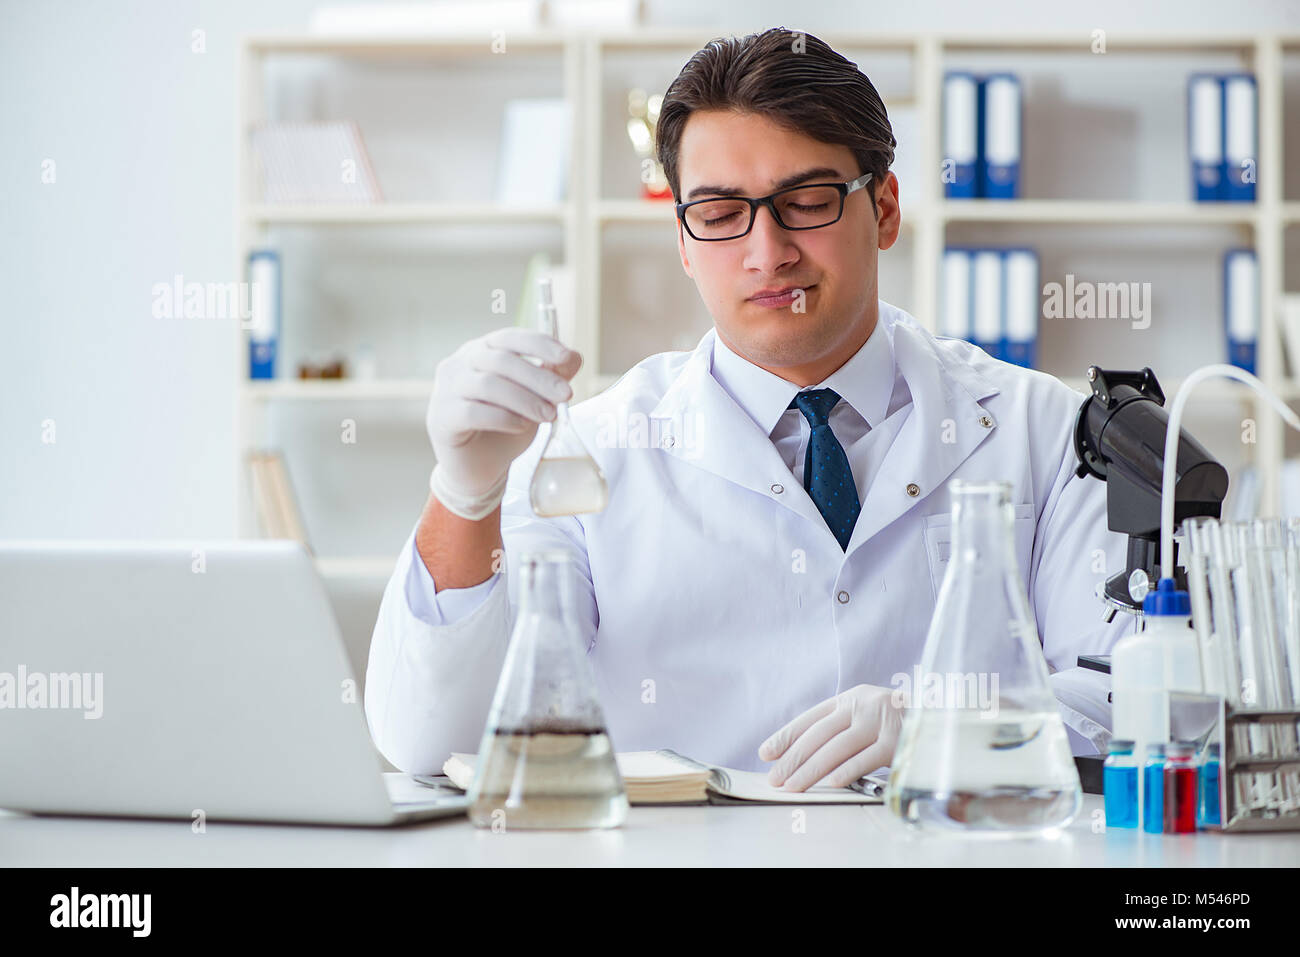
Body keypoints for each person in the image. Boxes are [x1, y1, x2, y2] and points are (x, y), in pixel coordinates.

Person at [365, 27, 1129, 790]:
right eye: (723, 213)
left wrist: (946, 725)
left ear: (886, 208)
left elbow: (1128, 696)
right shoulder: (593, 448)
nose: (768, 252)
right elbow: (433, 741)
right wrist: (465, 494)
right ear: (686, 243)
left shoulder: (1044, 429)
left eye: (806, 201)